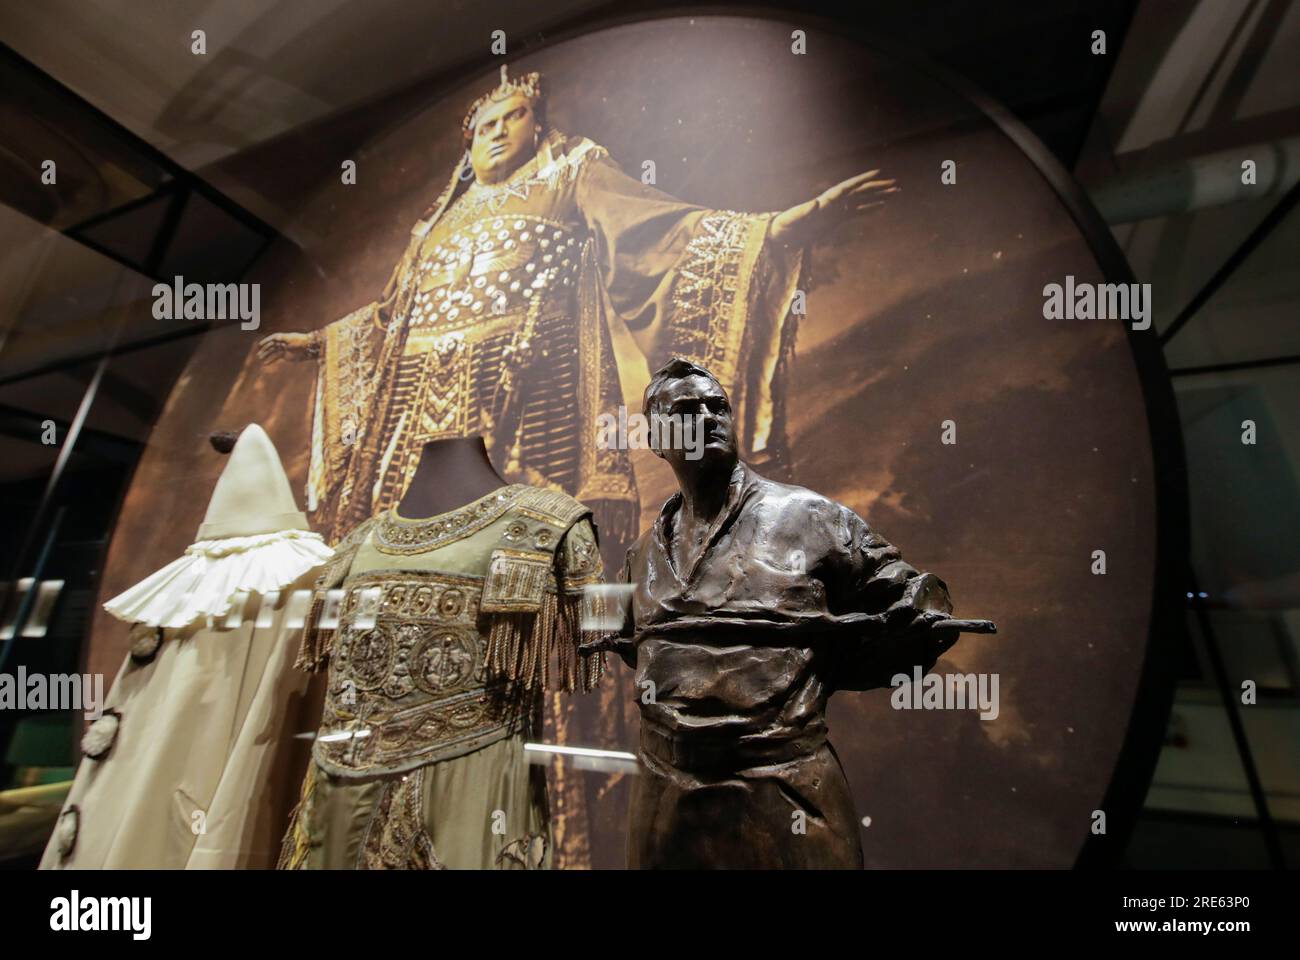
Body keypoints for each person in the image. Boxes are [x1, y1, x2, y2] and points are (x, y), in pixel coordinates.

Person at [256, 65, 897, 555]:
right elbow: (390, 317)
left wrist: (789, 224)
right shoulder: (435, 223)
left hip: (531, 402)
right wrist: (316, 342)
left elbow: (661, 232)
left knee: (517, 560)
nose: (498, 132)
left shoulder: (573, 172)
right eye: (485, 126)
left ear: (538, 122)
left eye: (515, 116)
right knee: (400, 549)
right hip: (417, 416)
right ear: (468, 143)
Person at [599, 358, 990, 868]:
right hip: (664, 792)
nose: (710, 419)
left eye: (718, 407)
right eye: (688, 410)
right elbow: (629, 644)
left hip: (782, 783)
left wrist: (919, 609)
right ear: (656, 439)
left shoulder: (809, 517)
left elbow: (909, 587)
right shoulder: (642, 553)